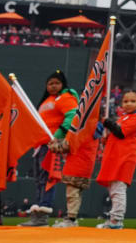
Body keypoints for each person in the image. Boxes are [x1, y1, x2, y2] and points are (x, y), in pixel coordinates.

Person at [22, 70, 77, 227]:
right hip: (40, 145)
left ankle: (42, 216)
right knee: (39, 180)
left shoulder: (65, 98)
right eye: (50, 83)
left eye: (56, 83)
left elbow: (73, 116)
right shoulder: (46, 101)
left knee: (47, 179)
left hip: (51, 145)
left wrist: (58, 135)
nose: (53, 86)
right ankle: (37, 213)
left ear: (63, 84)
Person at [96, 90, 136, 230]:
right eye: (125, 101)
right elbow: (116, 134)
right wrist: (107, 137)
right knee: (113, 190)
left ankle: (116, 220)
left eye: (132, 101)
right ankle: (114, 219)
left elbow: (120, 132)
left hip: (124, 158)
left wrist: (107, 123)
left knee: (118, 190)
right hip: (115, 157)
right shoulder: (122, 118)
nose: (128, 104)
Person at [52, 115, 100, 228]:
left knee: (72, 194)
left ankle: (71, 219)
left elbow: (67, 145)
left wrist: (53, 145)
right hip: (86, 166)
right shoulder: (95, 129)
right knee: (76, 194)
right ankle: (72, 217)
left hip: (76, 166)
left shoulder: (82, 128)